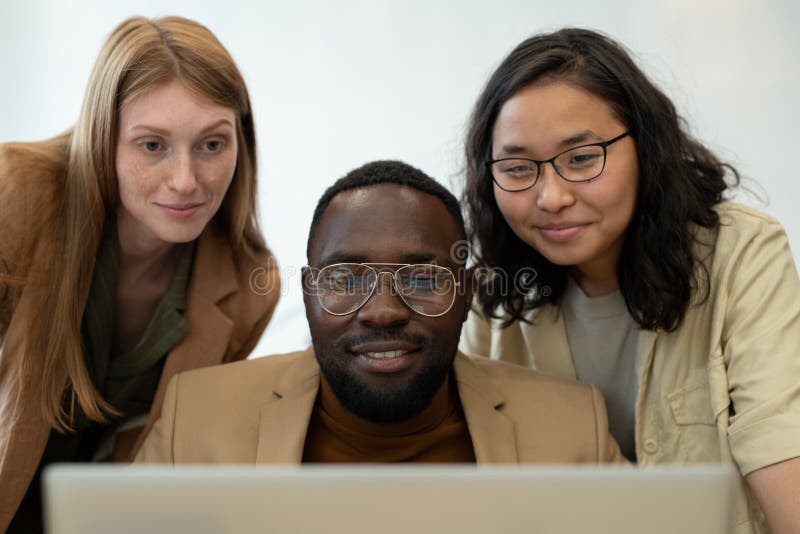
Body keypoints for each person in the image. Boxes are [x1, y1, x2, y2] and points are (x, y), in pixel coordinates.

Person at [458, 28, 800, 534]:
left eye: (580, 159)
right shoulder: (499, 290)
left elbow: (777, 441)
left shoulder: (740, 253)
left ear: (645, 147)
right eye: (517, 167)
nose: (550, 197)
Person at [135, 160, 624, 466]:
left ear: (466, 293)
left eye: (423, 279)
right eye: (345, 280)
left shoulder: (572, 429)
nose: (384, 312)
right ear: (308, 296)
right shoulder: (195, 422)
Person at [0, 16, 280, 531]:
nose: (186, 181)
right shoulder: (15, 194)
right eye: (152, 146)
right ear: (103, 138)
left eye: (212, 145)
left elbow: (170, 459)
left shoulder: (248, 284)